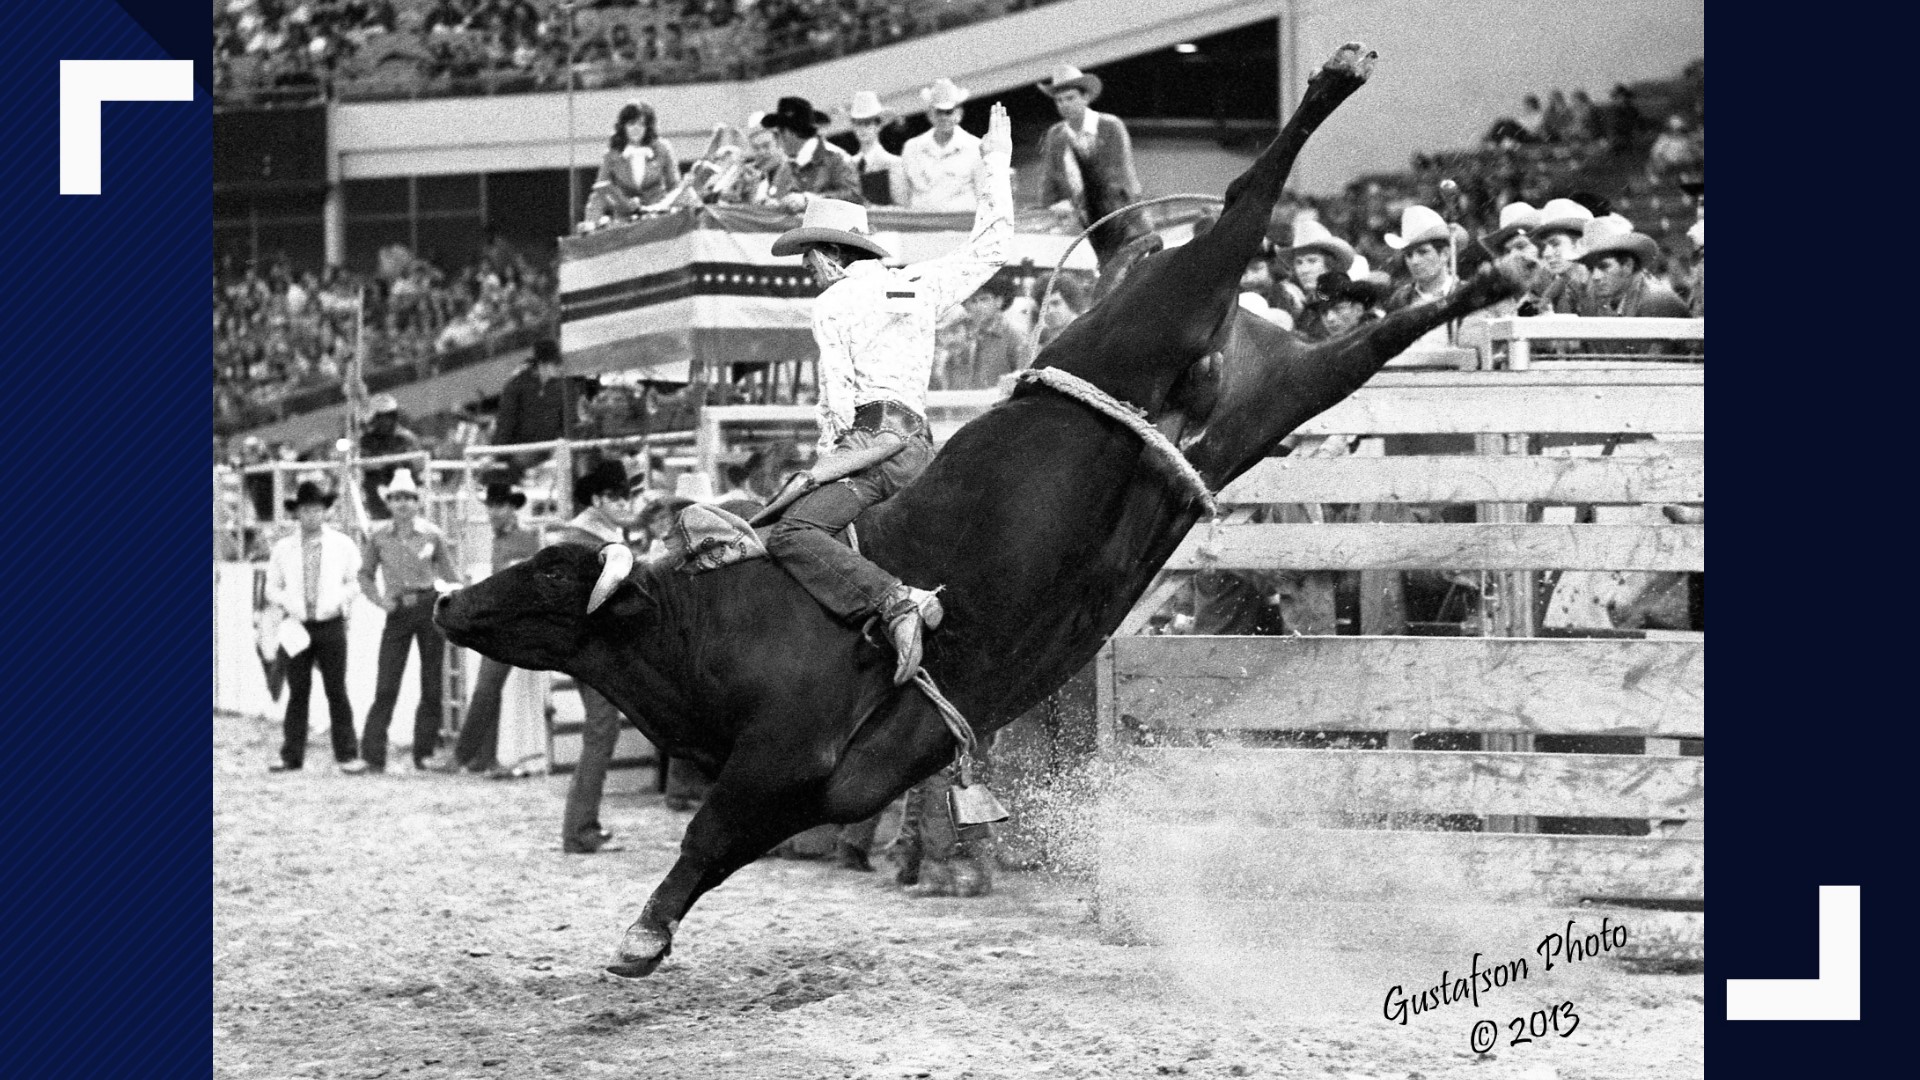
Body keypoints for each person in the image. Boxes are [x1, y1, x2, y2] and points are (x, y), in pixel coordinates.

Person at [763, 102, 1014, 686]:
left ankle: (893, 599)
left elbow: (836, 401)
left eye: (809, 260)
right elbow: (992, 248)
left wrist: (826, 465)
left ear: (828, 256)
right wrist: (995, 166)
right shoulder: (915, 284)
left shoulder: (832, 302)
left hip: (870, 444)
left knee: (792, 532)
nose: (809, 270)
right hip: (920, 448)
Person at [554, 460, 644, 852]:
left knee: (600, 730)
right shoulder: (586, 541)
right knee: (601, 730)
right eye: (616, 496)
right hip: (593, 647)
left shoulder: (588, 535)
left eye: (628, 495)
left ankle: (581, 826)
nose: (626, 503)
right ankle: (580, 830)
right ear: (597, 499)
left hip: (586, 645)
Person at [428, 482, 541, 775]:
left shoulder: (525, 540)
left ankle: (462, 757)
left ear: (512, 508)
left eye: (500, 505)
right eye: (491, 506)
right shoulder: (504, 539)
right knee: (489, 690)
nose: (493, 512)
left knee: (485, 689)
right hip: (502, 622)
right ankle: (484, 758)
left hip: (510, 624)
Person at [357, 468, 461, 772]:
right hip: (398, 610)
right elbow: (364, 574)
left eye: (408, 498)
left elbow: (451, 576)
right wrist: (379, 600)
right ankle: (373, 754)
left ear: (418, 502)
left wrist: (450, 607)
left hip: (429, 606)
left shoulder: (432, 535)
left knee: (431, 683)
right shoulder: (379, 538)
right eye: (397, 498)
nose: (402, 503)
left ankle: (424, 753)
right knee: (387, 683)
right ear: (388, 503)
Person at [265, 482, 366, 774]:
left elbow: (356, 580)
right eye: (306, 510)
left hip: (330, 622)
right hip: (297, 624)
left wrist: (338, 600)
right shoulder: (283, 548)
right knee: (299, 690)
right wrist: (288, 602)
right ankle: (291, 755)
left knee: (336, 689)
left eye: (316, 510)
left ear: (325, 512)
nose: (311, 515)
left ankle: (347, 754)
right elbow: (272, 587)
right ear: (298, 513)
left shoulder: (342, 545)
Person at [1037, 63, 1149, 263]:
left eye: (1070, 98)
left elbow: (1121, 179)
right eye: (1059, 100)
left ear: (1085, 97)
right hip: (1078, 229)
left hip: (1119, 224)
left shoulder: (1110, 127)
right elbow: (1049, 184)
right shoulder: (1056, 135)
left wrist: (1086, 208)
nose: (1064, 105)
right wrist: (1052, 209)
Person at [1381, 205, 1466, 350]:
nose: (1414, 261)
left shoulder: (1465, 294)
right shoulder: (1399, 300)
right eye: (1409, 255)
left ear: (1445, 254)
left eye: (1423, 252)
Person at [586, 100, 681, 225]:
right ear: (623, 126)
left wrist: (670, 210)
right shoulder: (611, 155)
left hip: (659, 217)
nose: (636, 129)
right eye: (631, 124)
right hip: (625, 221)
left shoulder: (663, 148)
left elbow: (674, 186)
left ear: (648, 127)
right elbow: (600, 192)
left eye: (641, 124)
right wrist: (590, 223)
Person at [1575, 217, 1691, 320]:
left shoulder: (1655, 301)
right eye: (1590, 268)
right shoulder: (1606, 299)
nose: (1595, 276)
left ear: (1628, 266)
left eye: (1604, 266)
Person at [760, 96, 862, 211]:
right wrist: (773, 203)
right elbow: (774, 196)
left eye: (778, 134)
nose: (778, 141)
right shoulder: (787, 166)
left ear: (788, 133)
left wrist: (812, 200)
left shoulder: (836, 158)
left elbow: (855, 195)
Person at [492, 338, 573, 475]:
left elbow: (564, 420)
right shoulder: (517, 385)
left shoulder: (560, 387)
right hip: (520, 447)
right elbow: (506, 421)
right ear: (542, 365)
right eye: (556, 364)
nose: (560, 369)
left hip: (547, 447)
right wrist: (495, 453)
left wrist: (560, 444)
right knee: (515, 463)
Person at [900, 78, 982, 212]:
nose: (944, 117)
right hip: (921, 226)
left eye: (949, 112)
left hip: (962, 225)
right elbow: (903, 198)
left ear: (959, 113)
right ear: (930, 114)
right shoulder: (911, 148)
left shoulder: (977, 148)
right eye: (939, 112)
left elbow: (983, 196)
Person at [938, 278, 1027, 389]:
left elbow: (1025, 378)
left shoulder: (1014, 336)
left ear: (999, 301)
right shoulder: (960, 335)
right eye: (973, 301)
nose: (978, 306)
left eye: (984, 299)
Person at [359, 393, 422, 521]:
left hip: (405, 490)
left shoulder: (406, 438)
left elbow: (419, 463)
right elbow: (363, 464)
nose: (385, 421)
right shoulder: (366, 440)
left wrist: (401, 461)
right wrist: (385, 462)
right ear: (374, 418)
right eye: (380, 417)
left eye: (388, 416)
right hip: (377, 493)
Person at [1530, 197, 1596, 314]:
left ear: (1581, 244)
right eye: (1544, 246)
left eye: (1555, 244)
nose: (1546, 253)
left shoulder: (1606, 288)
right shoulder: (1555, 292)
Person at [846, 91, 905, 206]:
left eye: (867, 123)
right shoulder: (848, 165)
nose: (862, 129)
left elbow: (901, 206)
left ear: (878, 126)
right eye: (857, 123)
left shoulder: (893, 163)